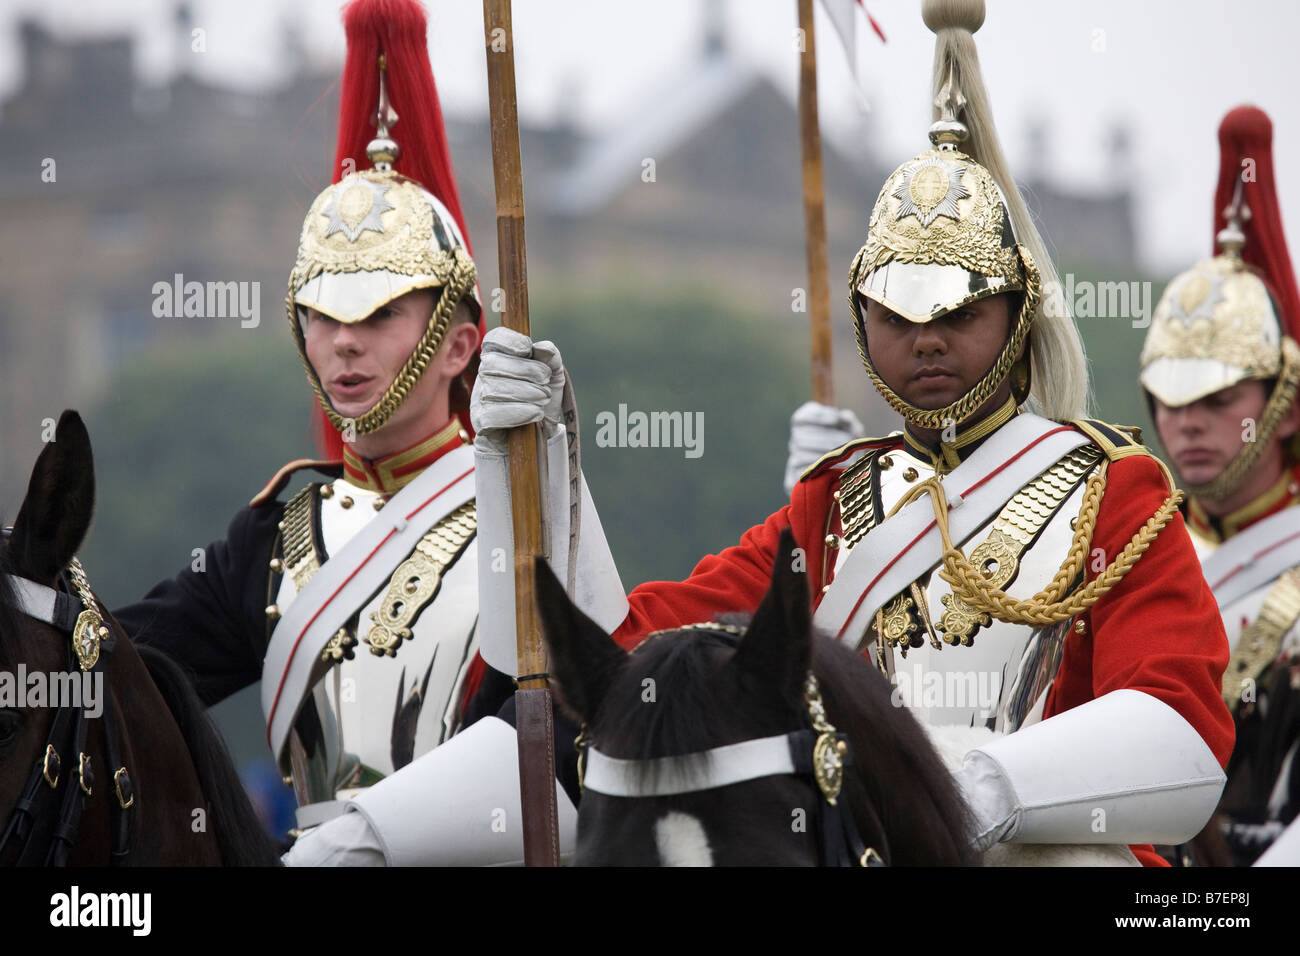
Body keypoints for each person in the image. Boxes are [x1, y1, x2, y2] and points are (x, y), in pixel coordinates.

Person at [470, 0, 1234, 865]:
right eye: (897, 314)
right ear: (862, 318)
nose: (929, 338)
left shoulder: (1115, 487)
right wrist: (537, 459)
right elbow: (625, 662)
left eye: (960, 311)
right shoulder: (834, 502)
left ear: (1018, 317)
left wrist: (962, 794)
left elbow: (1180, 734)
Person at [116, 0, 582, 866]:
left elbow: (579, 748)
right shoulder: (273, 536)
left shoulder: (524, 512)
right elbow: (117, 664)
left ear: (459, 344)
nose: (344, 342)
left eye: (377, 313)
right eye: (322, 316)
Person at [1139, 105, 1300, 866]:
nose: (1187, 426)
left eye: (1216, 401)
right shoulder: (1134, 553)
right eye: (1170, 402)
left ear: (1284, 404)